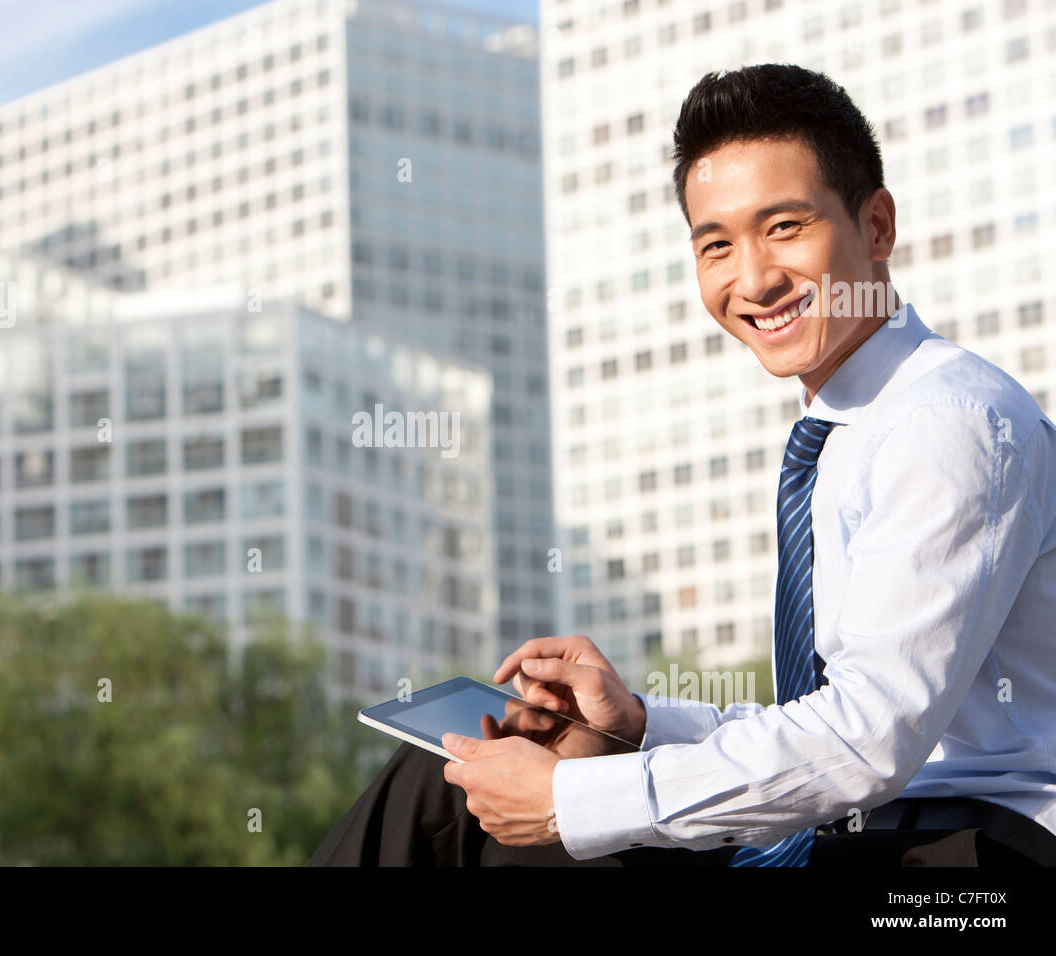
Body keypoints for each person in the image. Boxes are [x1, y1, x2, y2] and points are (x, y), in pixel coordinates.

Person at [310, 64, 1056, 867]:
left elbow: (864, 743)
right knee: (448, 780)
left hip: (974, 862)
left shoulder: (947, 421)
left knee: (518, 813)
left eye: (785, 227)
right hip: (872, 830)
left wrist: (568, 802)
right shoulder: (847, 427)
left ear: (877, 226)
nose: (755, 278)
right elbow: (827, 727)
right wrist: (633, 724)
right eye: (717, 245)